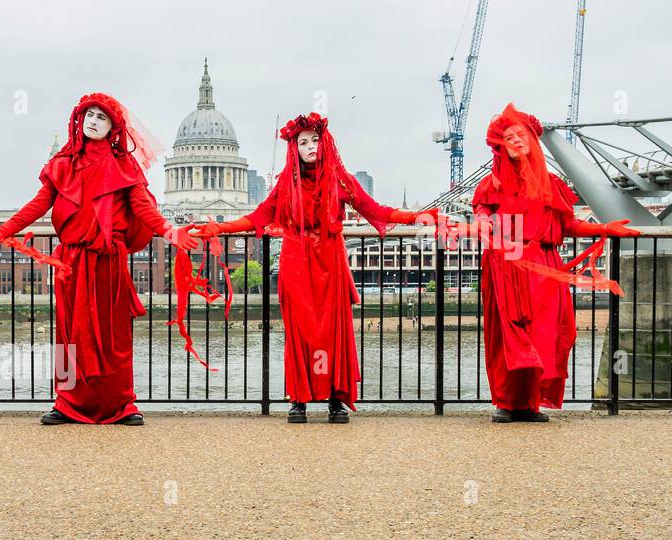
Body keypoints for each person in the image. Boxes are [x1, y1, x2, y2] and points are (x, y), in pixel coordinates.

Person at [0, 92, 198, 425]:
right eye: (89, 115)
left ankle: (121, 404)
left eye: (101, 118)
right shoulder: (63, 164)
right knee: (68, 334)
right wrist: (2, 231)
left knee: (114, 335)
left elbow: (142, 209)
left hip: (108, 261)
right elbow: (38, 205)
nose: (93, 121)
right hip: (71, 263)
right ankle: (66, 402)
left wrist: (170, 231)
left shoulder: (124, 165)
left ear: (113, 128)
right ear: (79, 120)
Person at [194, 112, 433, 423]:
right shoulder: (286, 184)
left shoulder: (339, 179)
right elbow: (258, 218)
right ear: (294, 148)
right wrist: (220, 229)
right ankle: (299, 400)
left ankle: (336, 399)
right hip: (296, 263)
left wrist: (419, 218)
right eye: (302, 142)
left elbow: (376, 210)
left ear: (324, 143)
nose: (310, 146)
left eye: (314, 140)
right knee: (300, 333)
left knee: (334, 332)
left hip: (330, 262)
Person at [458, 104, 639, 422]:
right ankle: (507, 403)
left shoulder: (552, 184)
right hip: (506, 264)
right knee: (508, 337)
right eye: (510, 136)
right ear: (501, 144)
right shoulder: (491, 184)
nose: (516, 140)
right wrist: (484, 223)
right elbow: (483, 213)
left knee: (545, 335)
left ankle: (529, 404)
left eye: (521, 135)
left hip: (544, 266)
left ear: (532, 139)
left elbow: (569, 225)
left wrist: (603, 227)